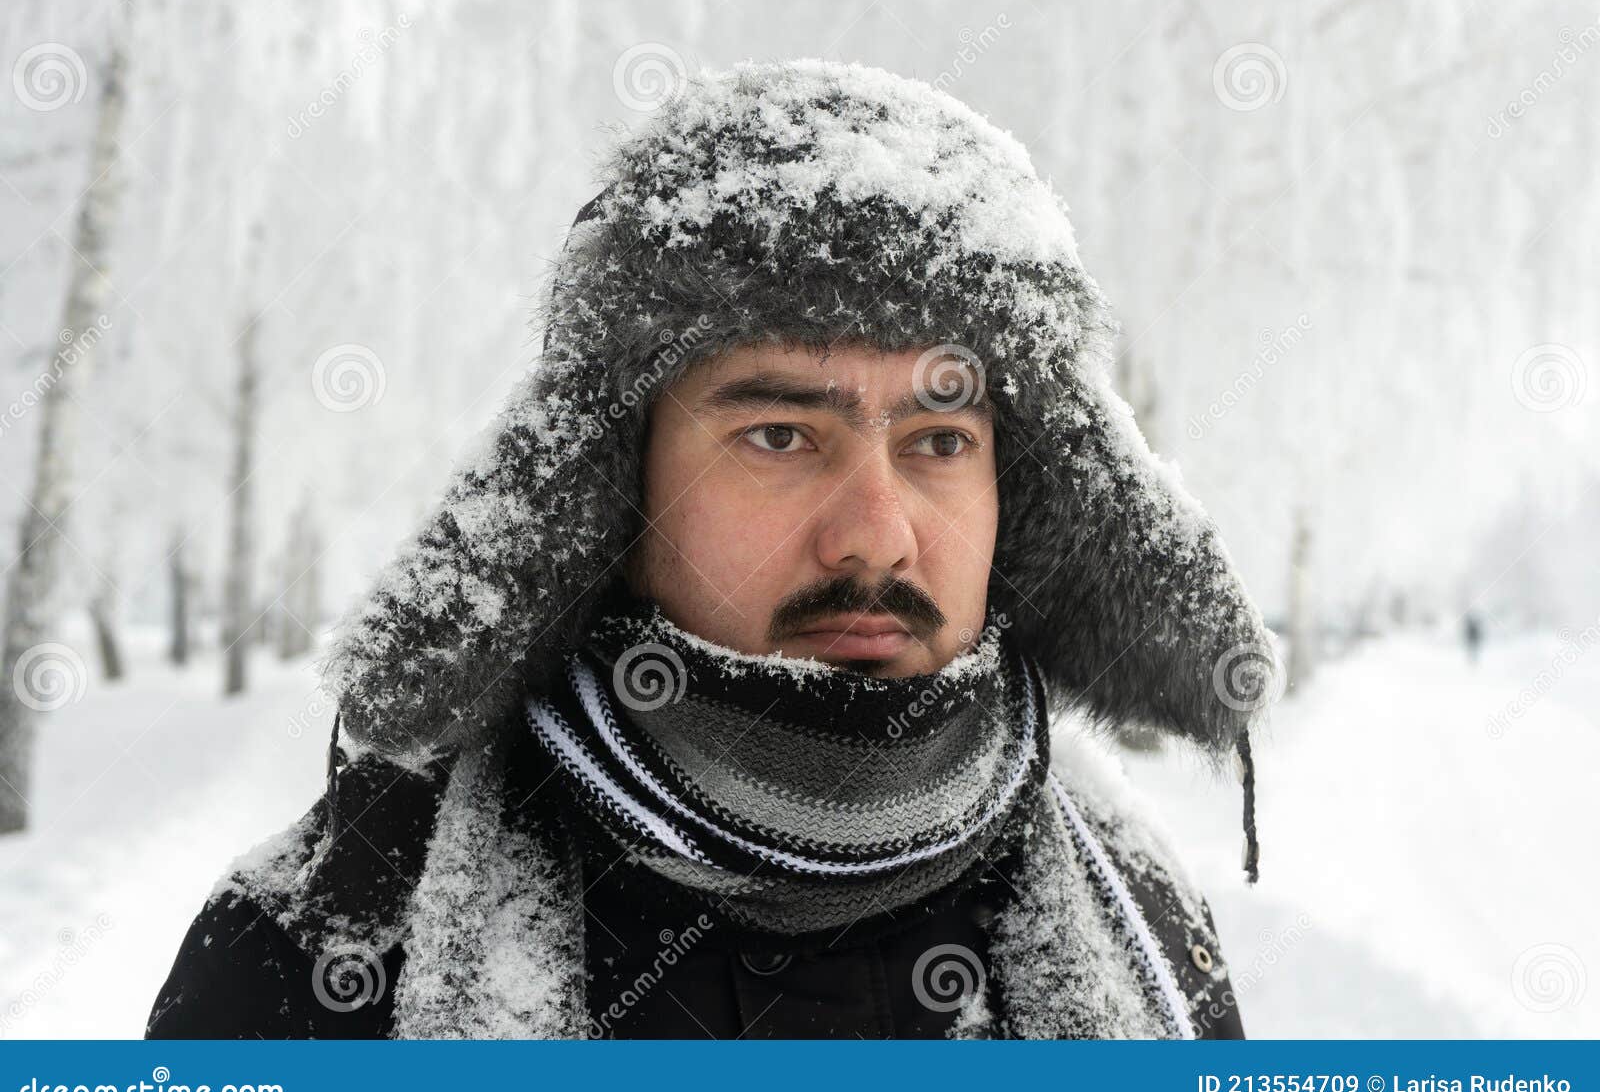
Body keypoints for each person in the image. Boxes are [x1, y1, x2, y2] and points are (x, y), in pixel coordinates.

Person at [146, 59, 1277, 1041]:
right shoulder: (319, 953)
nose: (876, 532)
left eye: (939, 439)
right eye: (779, 435)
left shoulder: (1143, 914)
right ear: (610, 490)